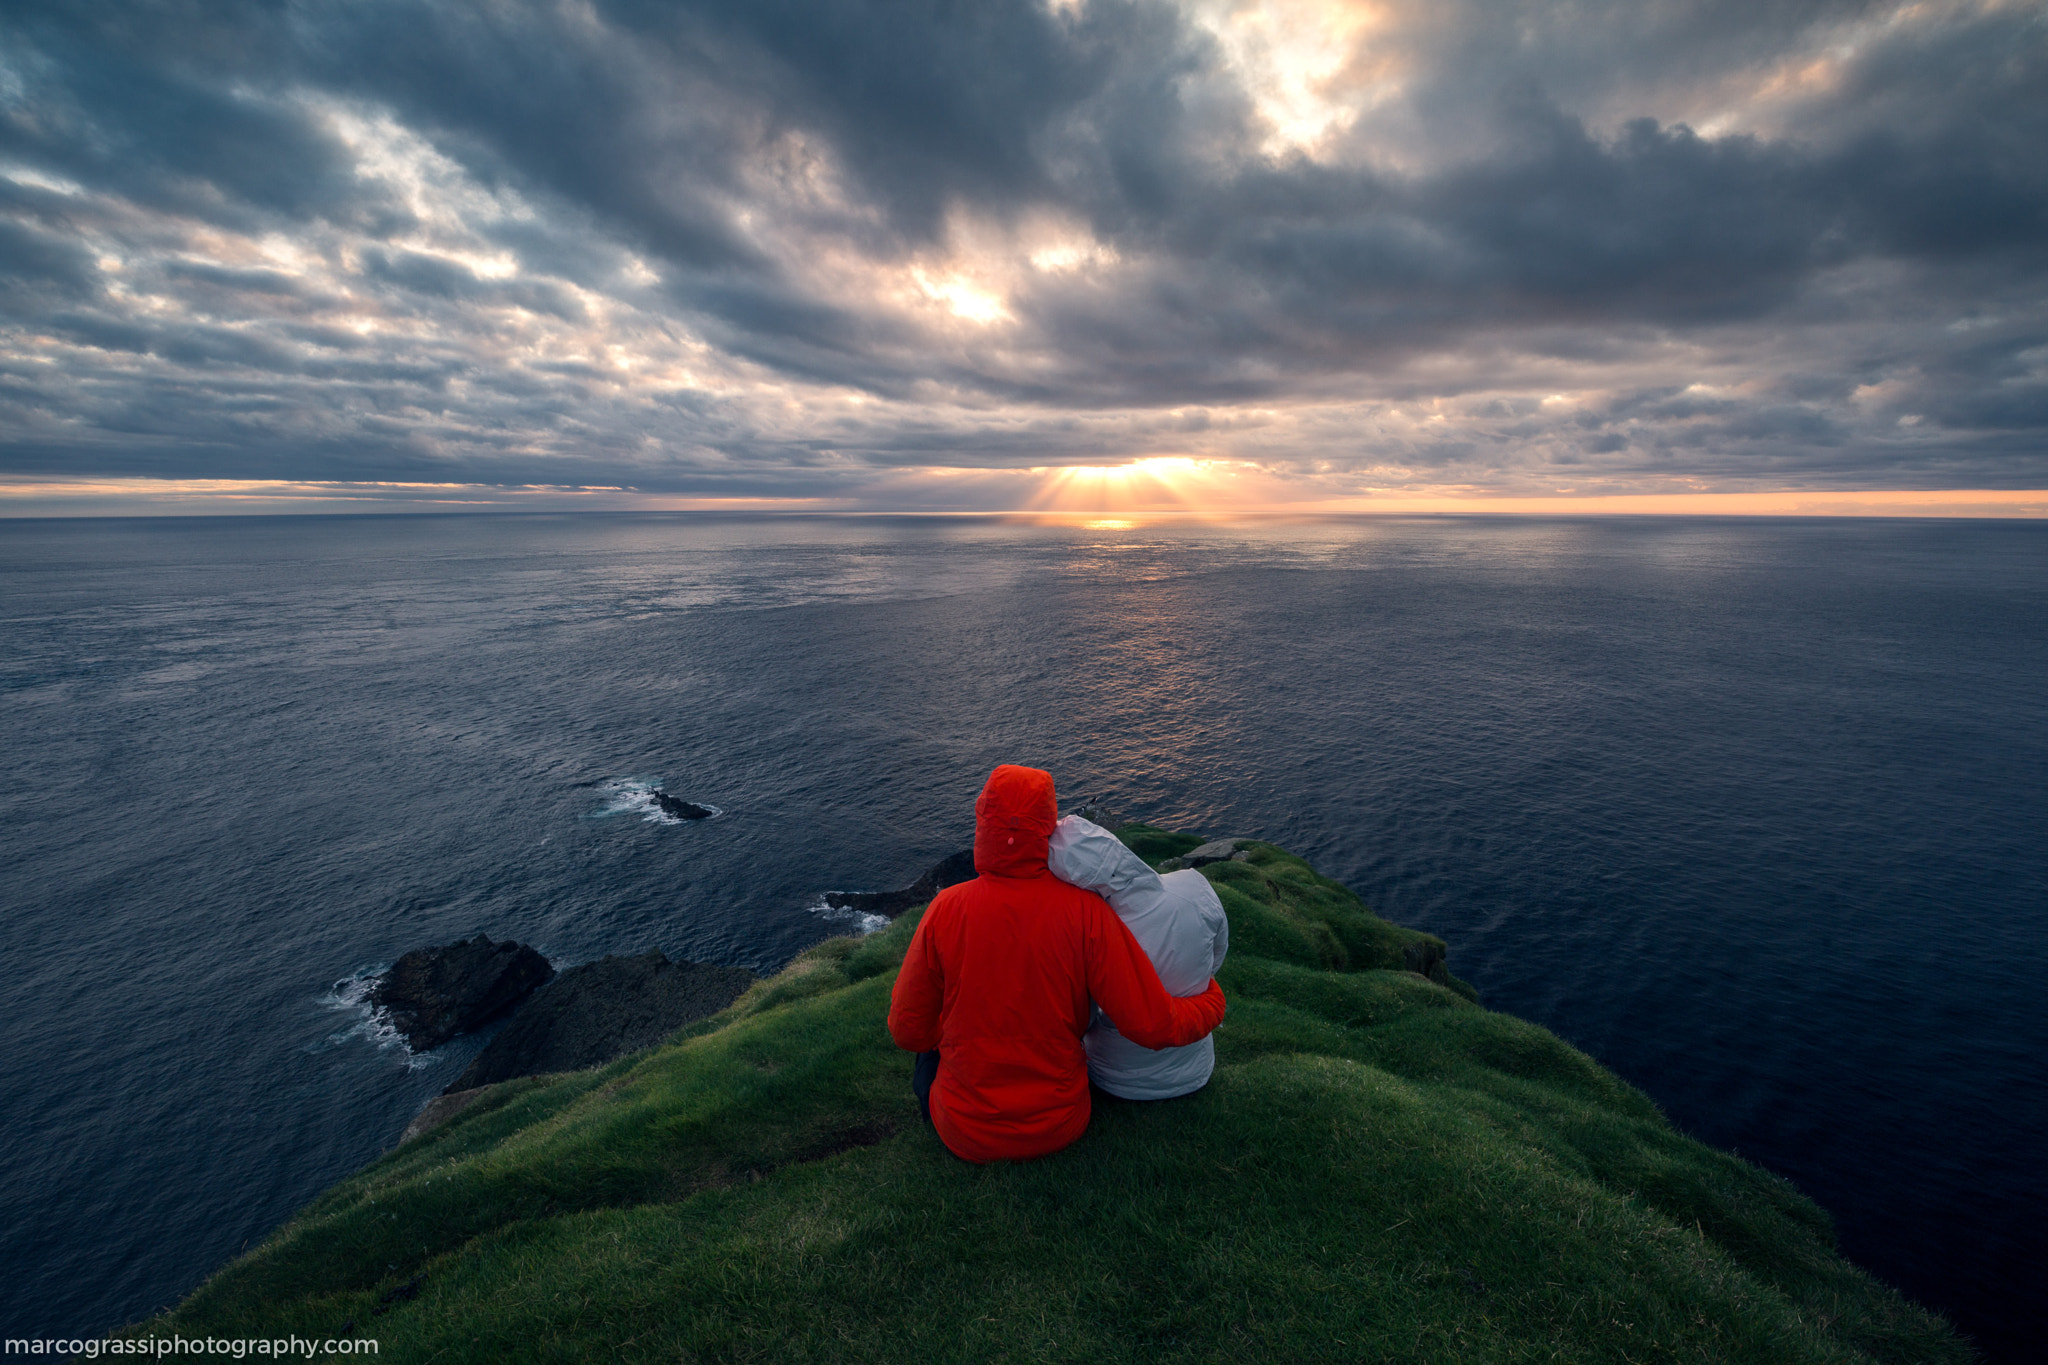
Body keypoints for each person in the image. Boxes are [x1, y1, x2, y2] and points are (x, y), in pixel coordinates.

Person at [887, 764, 1227, 1163]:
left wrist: (963, 1036)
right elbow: (1151, 1025)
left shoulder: (945, 909)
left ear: (983, 821)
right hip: (1060, 1123)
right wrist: (1212, 1002)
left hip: (965, 1131)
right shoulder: (1086, 911)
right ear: (1048, 827)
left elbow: (908, 1031)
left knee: (927, 1050)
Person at [1047, 814, 1229, 1100]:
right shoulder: (1194, 886)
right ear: (1115, 847)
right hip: (1196, 1066)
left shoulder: (1087, 932)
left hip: (1114, 1077)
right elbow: (1217, 957)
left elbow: (1082, 1017)